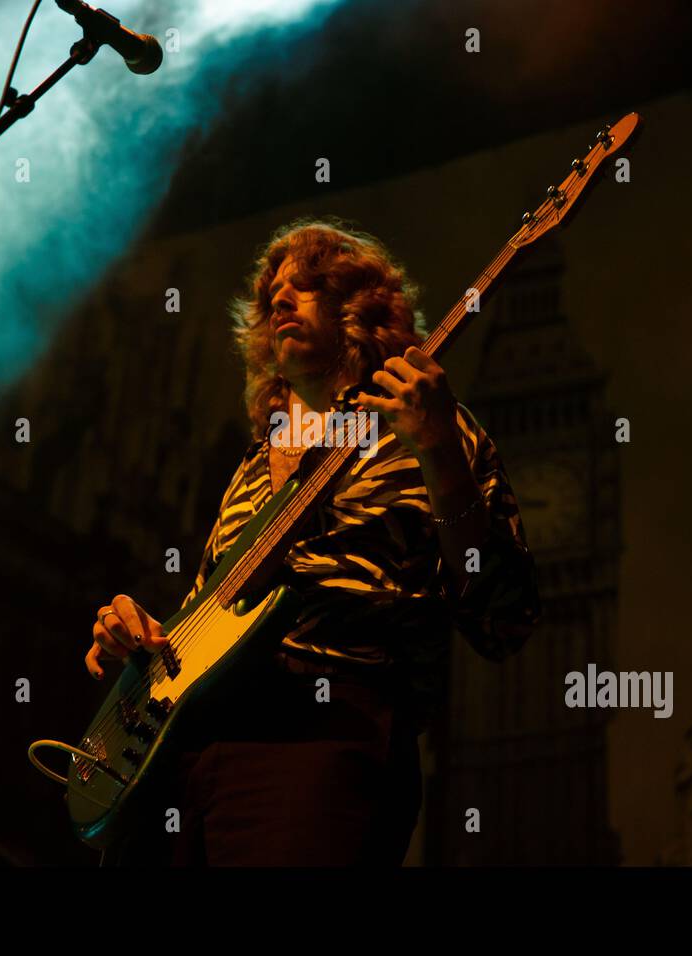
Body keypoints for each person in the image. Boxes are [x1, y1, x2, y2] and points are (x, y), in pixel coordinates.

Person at [86, 220, 541, 865]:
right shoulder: (250, 469)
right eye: (273, 292)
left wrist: (437, 448)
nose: (280, 300)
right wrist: (139, 641)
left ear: (356, 309)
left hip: (323, 734)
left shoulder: (431, 428)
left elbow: (504, 618)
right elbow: (206, 625)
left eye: (306, 287)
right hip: (182, 750)